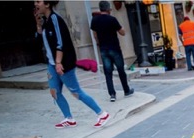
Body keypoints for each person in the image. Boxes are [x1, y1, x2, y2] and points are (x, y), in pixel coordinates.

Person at [34, 1, 109, 129]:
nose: (35, 4)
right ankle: (69, 118)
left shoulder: (55, 19)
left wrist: (58, 62)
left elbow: (60, 42)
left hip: (63, 64)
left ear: (47, 4)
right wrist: (38, 26)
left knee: (75, 92)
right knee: (54, 92)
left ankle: (102, 113)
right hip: (52, 64)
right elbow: (40, 40)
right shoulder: (45, 21)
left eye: (38, 1)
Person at [90, 1, 133, 101]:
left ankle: (112, 94)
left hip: (104, 49)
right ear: (108, 9)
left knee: (108, 72)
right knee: (121, 70)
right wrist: (122, 28)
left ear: (100, 8)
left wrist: (98, 43)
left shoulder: (95, 20)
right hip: (115, 48)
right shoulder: (112, 19)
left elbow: (95, 34)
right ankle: (126, 90)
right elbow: (122, 32)